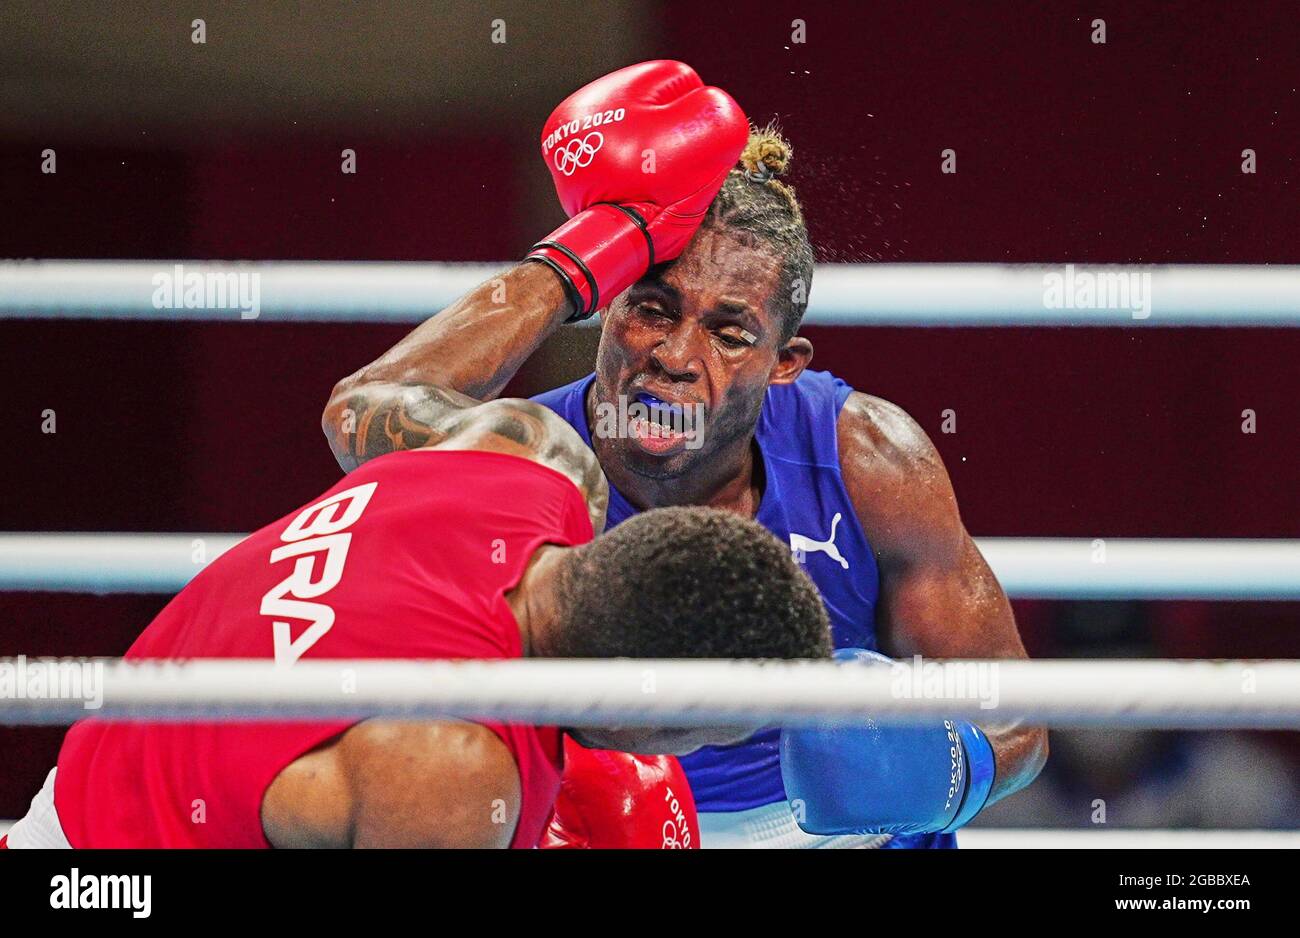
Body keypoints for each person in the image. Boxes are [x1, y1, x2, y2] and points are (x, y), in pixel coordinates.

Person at [323, 60, 1047, 848]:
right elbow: (366, 418)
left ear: (784, 362)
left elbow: (1015, 719)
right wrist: (577, 260)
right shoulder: (519, 468)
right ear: (602, 311)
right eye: (652, 309)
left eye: (729, 332)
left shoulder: (866, 457)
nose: (674, 354)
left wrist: (946, 771)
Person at [2, 383, 831, 848]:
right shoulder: (451, 770)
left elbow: (358, 402)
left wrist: (591, 252)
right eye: (707, 735)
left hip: (105, 784)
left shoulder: (530, 455)